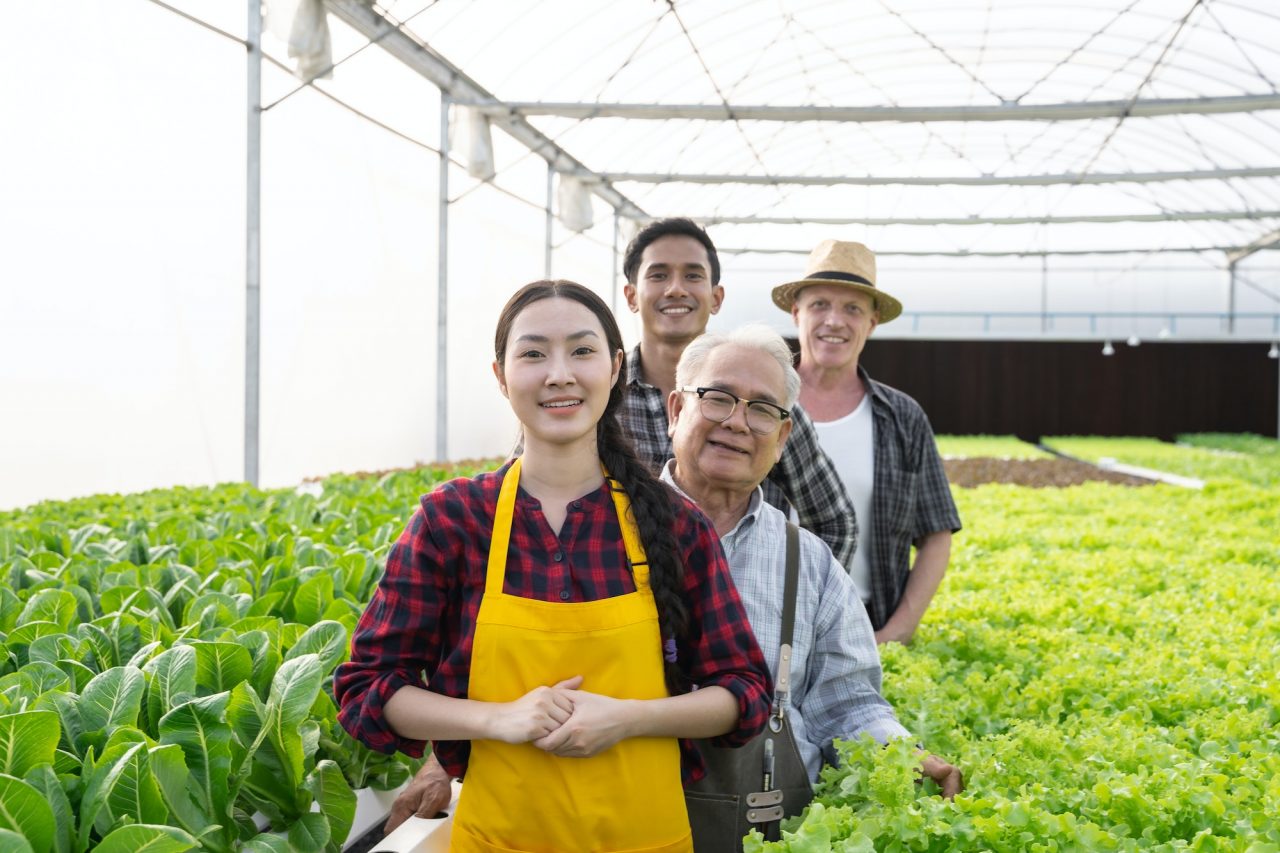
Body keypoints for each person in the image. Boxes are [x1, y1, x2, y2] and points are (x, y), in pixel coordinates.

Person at [337, 280, 772, 852]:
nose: (559, 374)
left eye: (582, 350)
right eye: (534, 354)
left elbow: (744, 691)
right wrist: (497, 719)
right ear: (501, 376)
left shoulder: (674, 524)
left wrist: (628, 718)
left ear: (614, 368)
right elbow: (368, 685)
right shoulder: (455, 520)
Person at [663, 326, 962, 848]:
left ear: (782, 439)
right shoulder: (608, 533)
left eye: (762, 410)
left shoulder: (810, 563)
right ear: (675, 410)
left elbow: (847, 703)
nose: (737, 422)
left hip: (765, 828)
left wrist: (902, 756)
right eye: (717, 398)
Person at [617, 218, 860, 570]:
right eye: (658, 275)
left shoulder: (769, 407)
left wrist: (797, 594)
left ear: (716, 298)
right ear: (631, 296)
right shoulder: (603, 398)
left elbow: (834, 523)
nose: (676, 289)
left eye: (693, 275)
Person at [772, 240, 961, 643]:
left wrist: (897, 631)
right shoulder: (763, 406)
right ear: (797, 314)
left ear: (872, 323)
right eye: (820, 304)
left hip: (868, 624)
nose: (834, 321)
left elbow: (936, 535)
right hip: (766, 621)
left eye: (853, 309)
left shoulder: (902, 417)